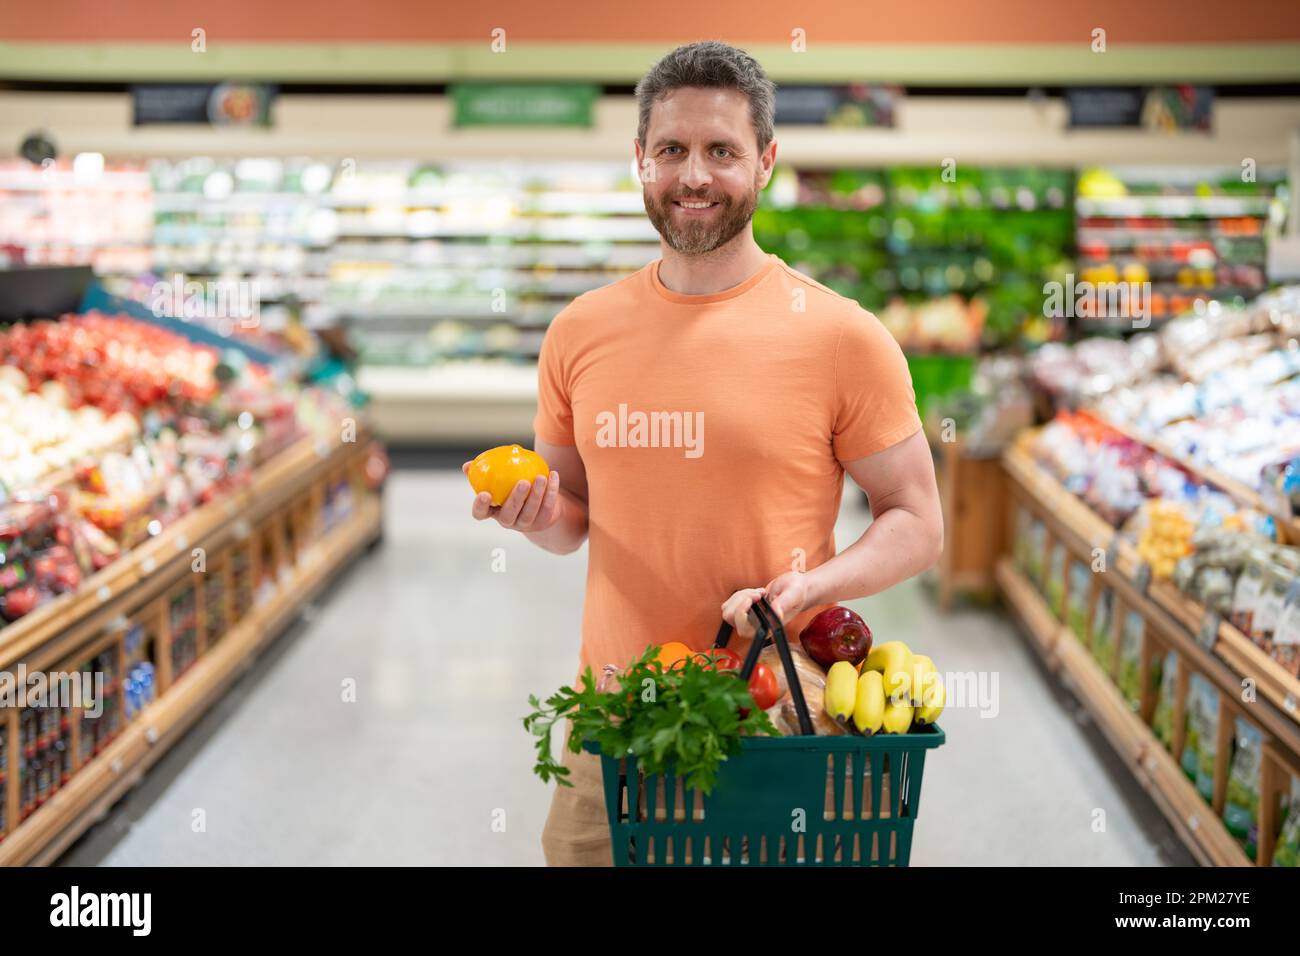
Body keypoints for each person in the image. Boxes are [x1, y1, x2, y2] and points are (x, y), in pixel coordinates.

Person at [463, 40, 943, 866]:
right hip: (615, 718)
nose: (694, 175)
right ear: (640, 162)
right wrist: (532, 515)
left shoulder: (841, 336)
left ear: (765, 162)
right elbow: (569, 518)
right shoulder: (580, 332)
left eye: (722, 150)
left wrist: (813, 590)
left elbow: (916, 519)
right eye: (672, 150)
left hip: (779, 714)